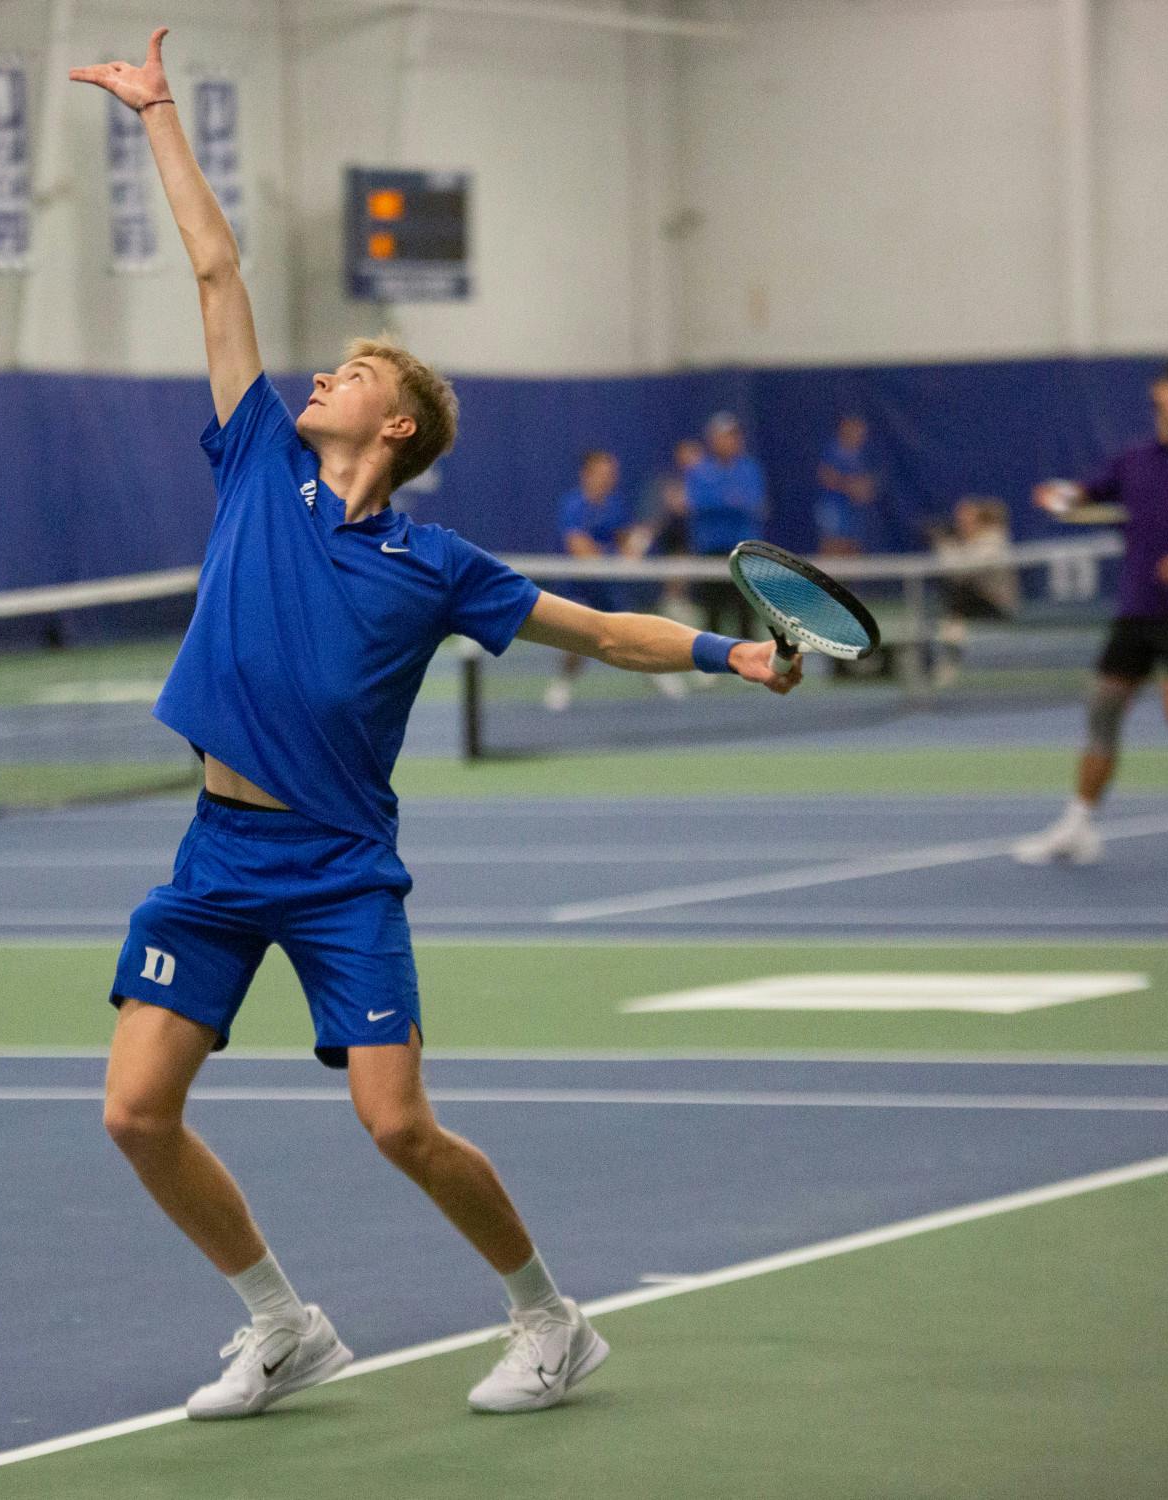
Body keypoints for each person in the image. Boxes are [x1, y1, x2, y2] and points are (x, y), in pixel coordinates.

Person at [70, 29, 803, 1423]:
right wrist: (155, 112)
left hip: (342, 866)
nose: (322, 378)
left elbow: (593, 630)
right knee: (134, 1112)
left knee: (395, 1122)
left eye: (351, 373)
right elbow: (215, 267)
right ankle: (283, 1324)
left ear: (397, 426)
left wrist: (734, 653)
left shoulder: (438, 566)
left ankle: (551, 1317)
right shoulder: (256, 471)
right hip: (216, 854)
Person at [1014, 359, 1168, 866]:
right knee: (1102, 714)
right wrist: (1056, 496)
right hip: (1135, 612)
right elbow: (1079, 495)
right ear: (1159, 393)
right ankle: (1079, 826)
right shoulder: (1132, 460)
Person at [545, 451, 685, 706]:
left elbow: (625, 542)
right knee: (577, 640)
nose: (608, 477)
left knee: (633, 635)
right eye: (602, 472)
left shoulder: (615, 504)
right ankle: (562, 684)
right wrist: (617, 555)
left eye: (611, 472)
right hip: (576, 584)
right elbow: (579, 548)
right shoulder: (573, 504)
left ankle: (655, 674)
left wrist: (636, 543)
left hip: (608, 587)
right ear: (586, 474)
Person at [684, 412, 767, 635]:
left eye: (734, 436)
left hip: (743, 552)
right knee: (713, 615)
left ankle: (750, 664)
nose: (730, 441)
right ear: (713, 440)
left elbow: (754, 503)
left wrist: (721, 501)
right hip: (711, 552)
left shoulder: (750, 468)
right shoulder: (700, 471)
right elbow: (696, 504)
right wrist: (729, 500)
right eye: (724, 436)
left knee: (745, 615)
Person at [928, 497, 1018, 687]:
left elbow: (962, 571)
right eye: (960, 518)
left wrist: (944, 545)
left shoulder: (993, 540)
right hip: (970, 604)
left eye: (967, 518)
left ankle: (949, 661)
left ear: (980, 520)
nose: (961, 523)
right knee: (953, 606)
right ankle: (946, 657)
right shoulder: (965, 542)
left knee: (957, 594)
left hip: (997, 606)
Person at [813, 413, 883, 556]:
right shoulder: (834, 451)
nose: (860, 433)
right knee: (833, 548)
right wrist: (849, 486)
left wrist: (866, 488)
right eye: (856, 428)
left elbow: (866, 484)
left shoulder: (860, 455)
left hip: (854, 514)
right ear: (845, 428)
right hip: (834, 509)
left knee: (853, 550)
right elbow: (825, 475)